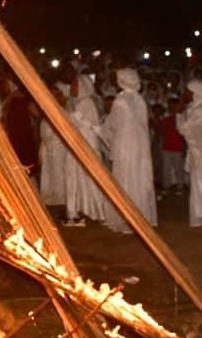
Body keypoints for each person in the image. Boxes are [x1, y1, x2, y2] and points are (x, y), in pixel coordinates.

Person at [103, 68, 157, 230]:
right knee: (138, 176)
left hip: (125, 144)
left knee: (125, 176)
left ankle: (126, 217)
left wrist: (100, 129)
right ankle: (140, 214)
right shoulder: (140, 99)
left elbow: (113, 125)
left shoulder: (120, 100)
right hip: (140, 145)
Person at [65, 75, 111, 226]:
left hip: (86, 144)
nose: (72, 88)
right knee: (81, 178)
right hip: (80, 144)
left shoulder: (86, 103)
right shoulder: (77, 102)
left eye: (75, 85)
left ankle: (98, 211)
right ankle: (84, 210)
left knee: (90, 178)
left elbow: (85, 124)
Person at [177, 80, 202, 227]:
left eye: (187, 92)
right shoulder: (196, 108)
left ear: (195, 93)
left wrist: (178, 111)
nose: (184, 94)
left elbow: (183, 129)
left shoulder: (200, 110)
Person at [39, 84, 68, 208]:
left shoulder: (62, 111)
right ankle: (52, 198)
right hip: (49, 148)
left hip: (58, 148)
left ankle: (62, 199)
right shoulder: (48, 110)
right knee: (50, 174)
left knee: (59, 174)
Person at [159, 97, 186, 196]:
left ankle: (180, 186)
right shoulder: (166, 119)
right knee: (166, 169)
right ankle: (167, 187)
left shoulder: (182, 119)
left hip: (178, 147)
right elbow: (161, 132)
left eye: (174, 106)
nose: (172, 108)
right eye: (170, 106)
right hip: (167, 147)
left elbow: (184, 135)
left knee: (178, 168)